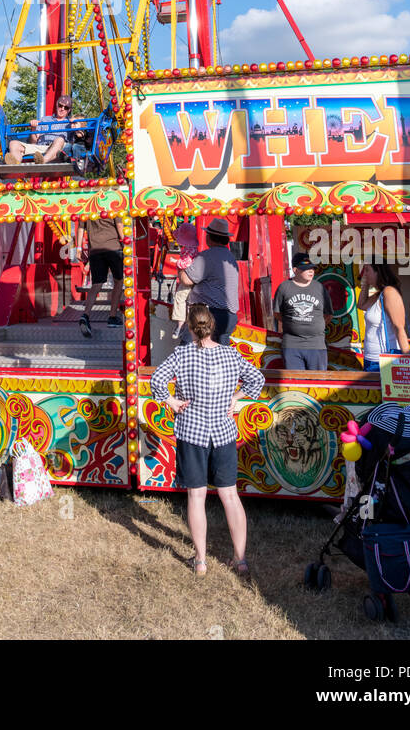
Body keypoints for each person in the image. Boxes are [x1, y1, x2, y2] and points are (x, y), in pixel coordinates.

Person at [151, 302, 265, 577]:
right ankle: (240, 560)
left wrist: (172, 402)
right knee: (229, 495)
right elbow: (257, 380)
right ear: (213, 326)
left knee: (197, 495)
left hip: (192, 432)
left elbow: (156, 380)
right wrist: (234, 398)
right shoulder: (230, 354)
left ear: (190, 327)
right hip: (223, 432)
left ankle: (201, 561)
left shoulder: (182, 355)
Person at [178, 216, 240, 346]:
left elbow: (186, 279)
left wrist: (181, 266)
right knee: (220, 357)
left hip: (208, 315)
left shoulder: (207, 256)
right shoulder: (230, 257)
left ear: (209, 237)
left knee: (188, 350)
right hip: (228, 316)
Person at [273, 251, 333, 368]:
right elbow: (277, 313)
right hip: (292, 345)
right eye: (306, 268)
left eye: (312, 268)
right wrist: (292, 324)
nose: (311, 271)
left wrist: (317, 326)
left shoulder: (320, 288)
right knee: (296, 383)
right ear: (295, 270)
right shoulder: (284, 287)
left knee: (318, 384)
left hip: (316, 345)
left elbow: (328, 315)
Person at [356, 259, 410, 371]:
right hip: (371, 358)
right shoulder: (379, 294)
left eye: (367, 270)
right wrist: (365, 283)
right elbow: (361, 305)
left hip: (385, 361)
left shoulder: (389, 292)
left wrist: (408, 361)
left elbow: (399, 327)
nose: (364, 273)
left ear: (378, 271)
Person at [78, 215, 124, 337]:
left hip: (95, 250)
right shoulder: (113, 205)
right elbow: (119, 225)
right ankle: (112, 316)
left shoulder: (88, 207)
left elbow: (80, 228)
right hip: (113, 248)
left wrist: (78, 249)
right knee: (118, 281)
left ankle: (85, 315)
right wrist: (126, 242)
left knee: (96, 284)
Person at [5, 93, 72, 166]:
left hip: (58, 150)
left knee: (60, 139)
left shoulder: (71, 123)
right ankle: (15, 164)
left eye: (66, 108)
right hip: (41, 147)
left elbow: (77, 135)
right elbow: (33, 141)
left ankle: (43, 161)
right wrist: (33, 128)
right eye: (60, 105)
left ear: (69, 110)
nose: (62, 109)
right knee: (13, 143)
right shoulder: (45, 119)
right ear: (57, 105)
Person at [170, 222, 198, 341]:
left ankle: (180, 325)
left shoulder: (189, 250)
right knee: (189, 301)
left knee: (179, 298)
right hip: (192, 278)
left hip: (187, 277)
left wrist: (175, 261)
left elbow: (186, 263)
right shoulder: (192, 248)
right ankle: (186, 322)